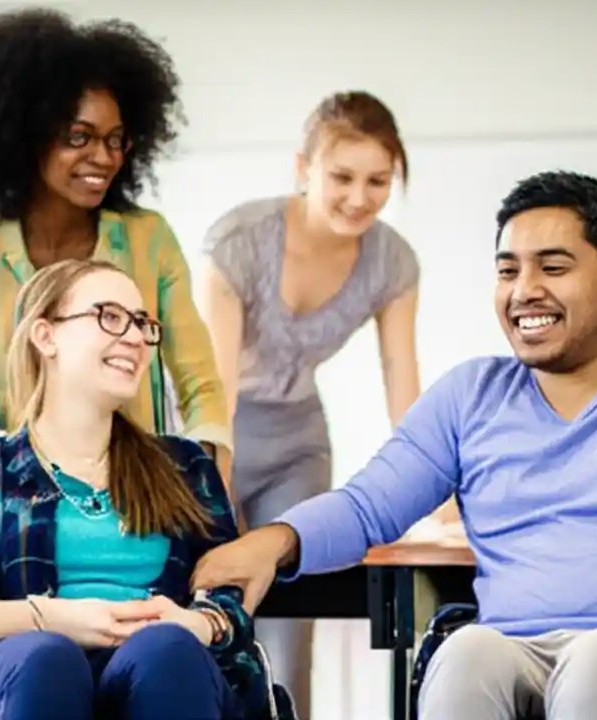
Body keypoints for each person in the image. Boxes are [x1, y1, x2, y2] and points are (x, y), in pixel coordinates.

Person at [193, 171, 597, 720]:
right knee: (465, 655)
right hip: (510, 644)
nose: (524, 290)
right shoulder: (472, 393)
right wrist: (273, 543)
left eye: (553, 266)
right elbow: (367, 505)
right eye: (508, 269)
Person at [0, 259, 291, 720]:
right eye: (109, 315)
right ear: (46, 336)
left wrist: (195, 623)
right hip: (17, 676)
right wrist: (54, 618)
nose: (133, 336)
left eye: (142, 323)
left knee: (167, 649)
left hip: (157, 669)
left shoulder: (186, 467)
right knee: (47, 657)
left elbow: (228, 597)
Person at [199, 89, 453, 715]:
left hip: (299, 440)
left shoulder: (393, 261)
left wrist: (439, 496)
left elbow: (401, 379)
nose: (359, 197)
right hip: (217, 434)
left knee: (294, 615)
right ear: (302, 168)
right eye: (342, 176)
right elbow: (214, 389)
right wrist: (210, 486)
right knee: (212, 604)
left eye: (378, 180)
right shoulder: (237, 242)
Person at [0, 8, 232, 478]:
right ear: (25, 137)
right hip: (14, 505)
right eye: (79, 136)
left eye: (116, 139)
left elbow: (199, 384)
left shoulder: (149, 240)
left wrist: (210, 471)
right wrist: (1, 490)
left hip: (136, 498)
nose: (103, 157)